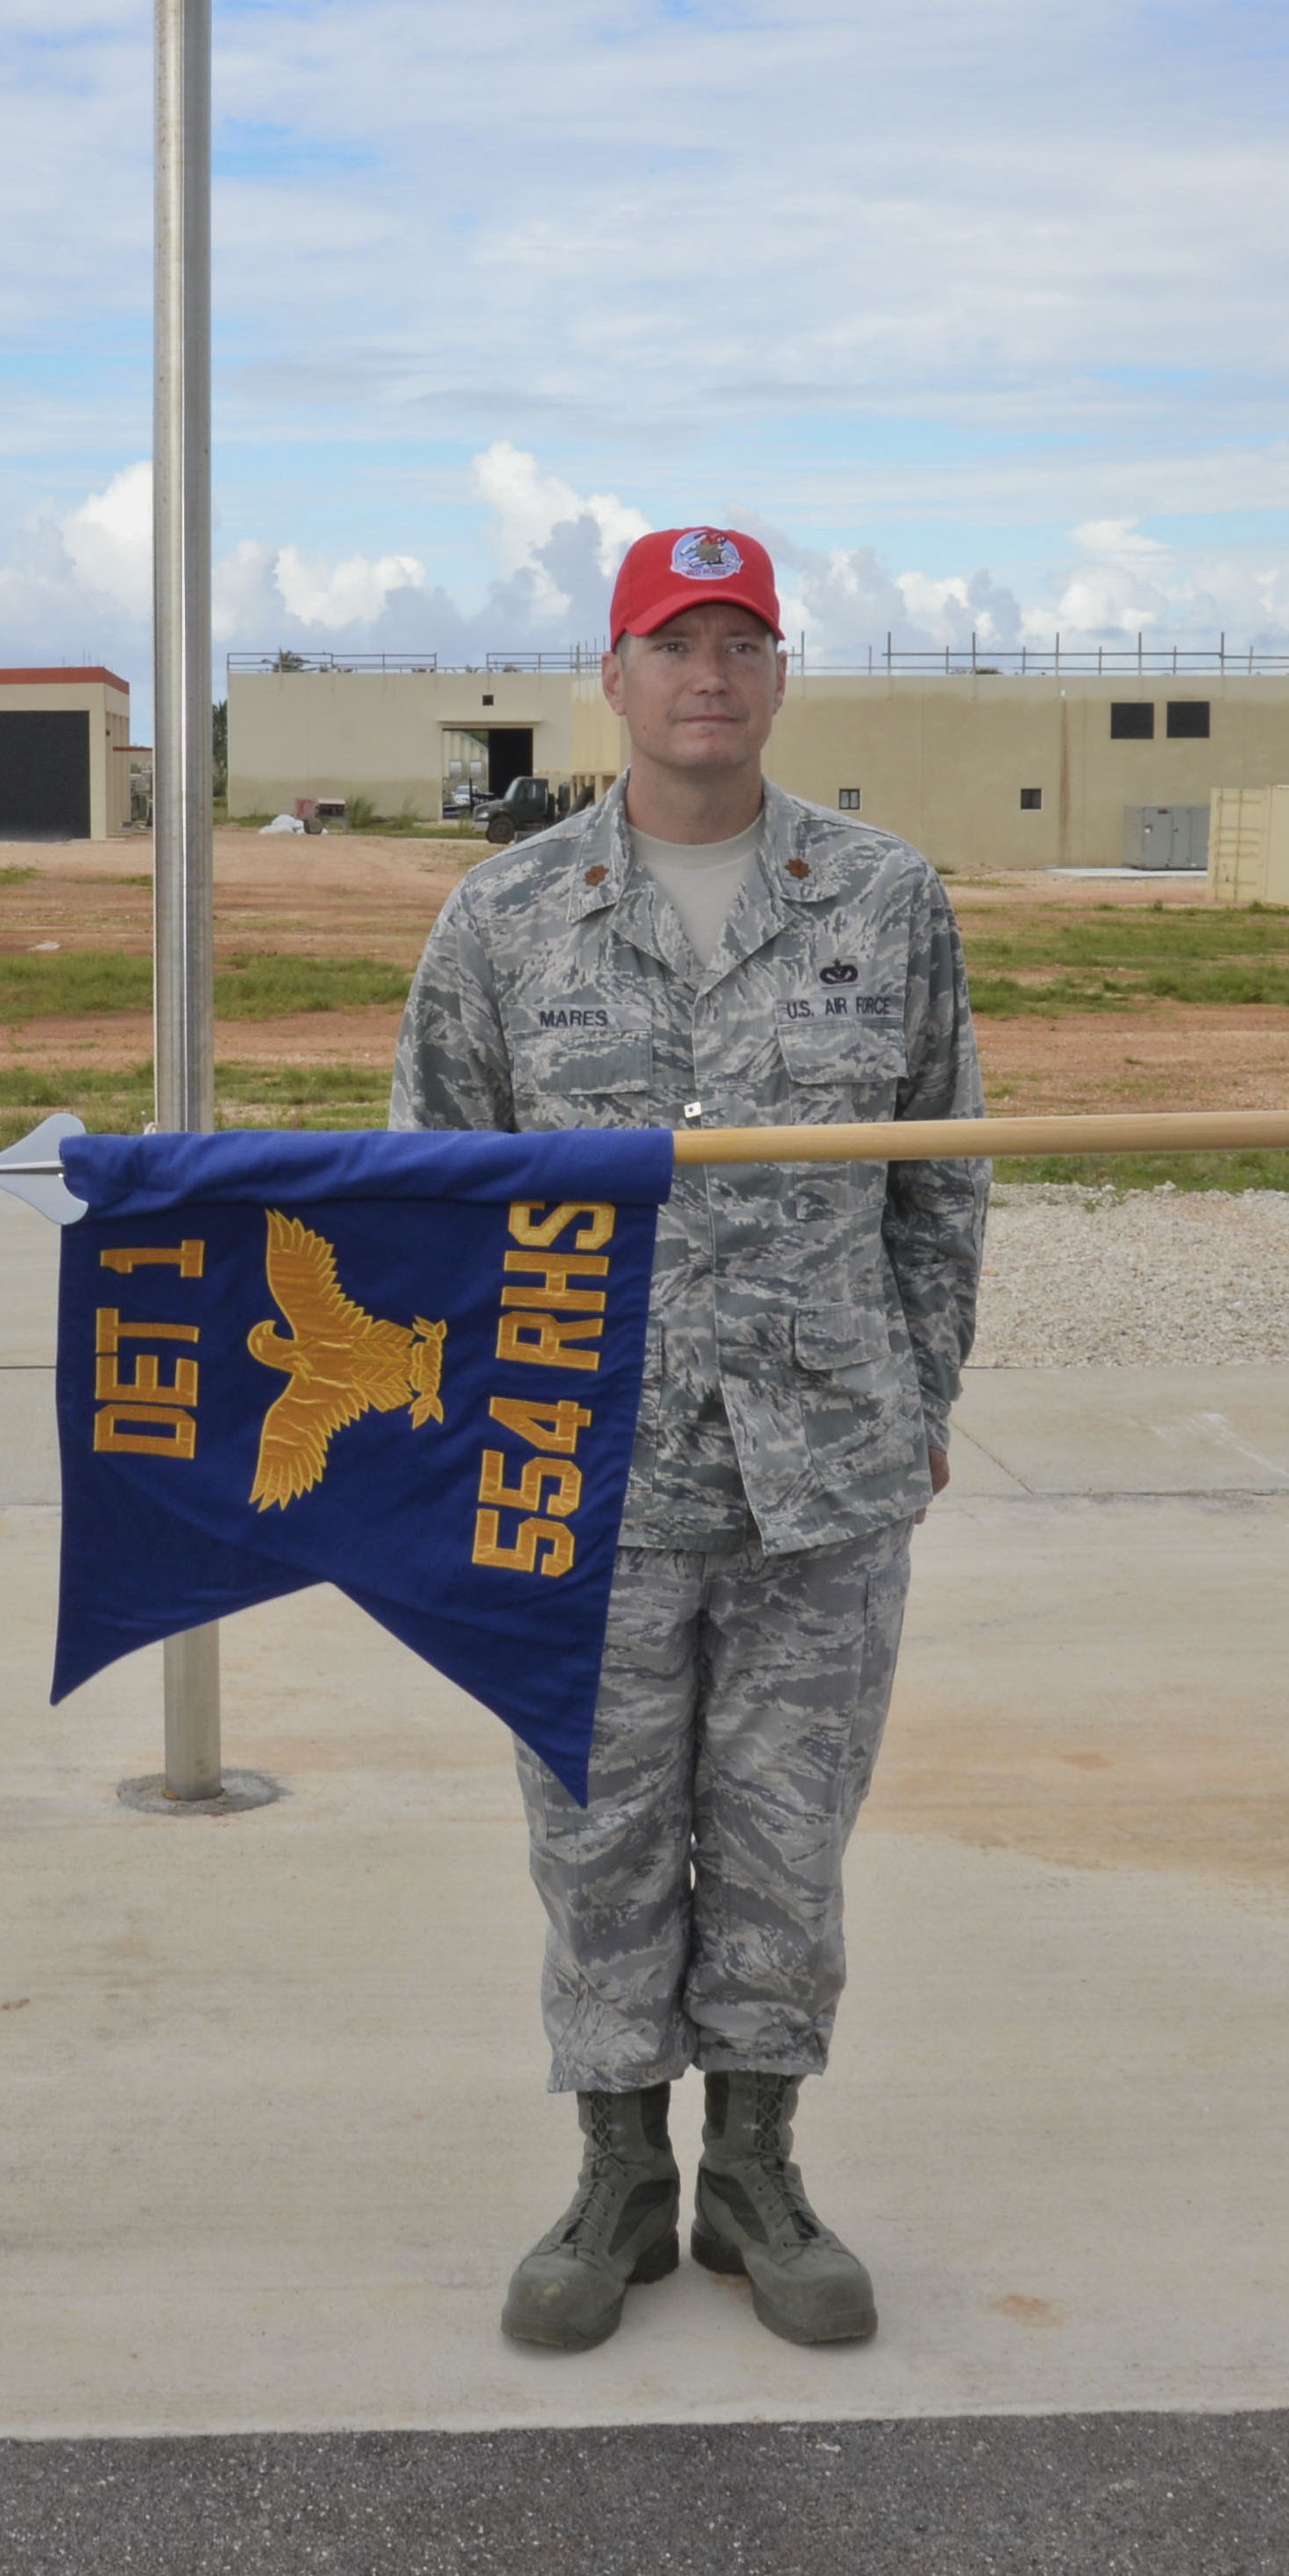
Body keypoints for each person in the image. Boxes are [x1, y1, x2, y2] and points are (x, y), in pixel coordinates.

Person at [392, 526, 986, 2352]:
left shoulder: (884, 900)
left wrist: (921, 1394)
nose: (707, 675)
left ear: (782, 675)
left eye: (741, 641)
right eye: (673, 641)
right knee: (597, 1832)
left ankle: (757, 2166)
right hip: (585, 1474)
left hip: (822, 1473)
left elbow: (938, 1182)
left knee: (784, 1835)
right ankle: (614, 2169)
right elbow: (430, 1194)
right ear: (614, 672)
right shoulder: (504, 918)